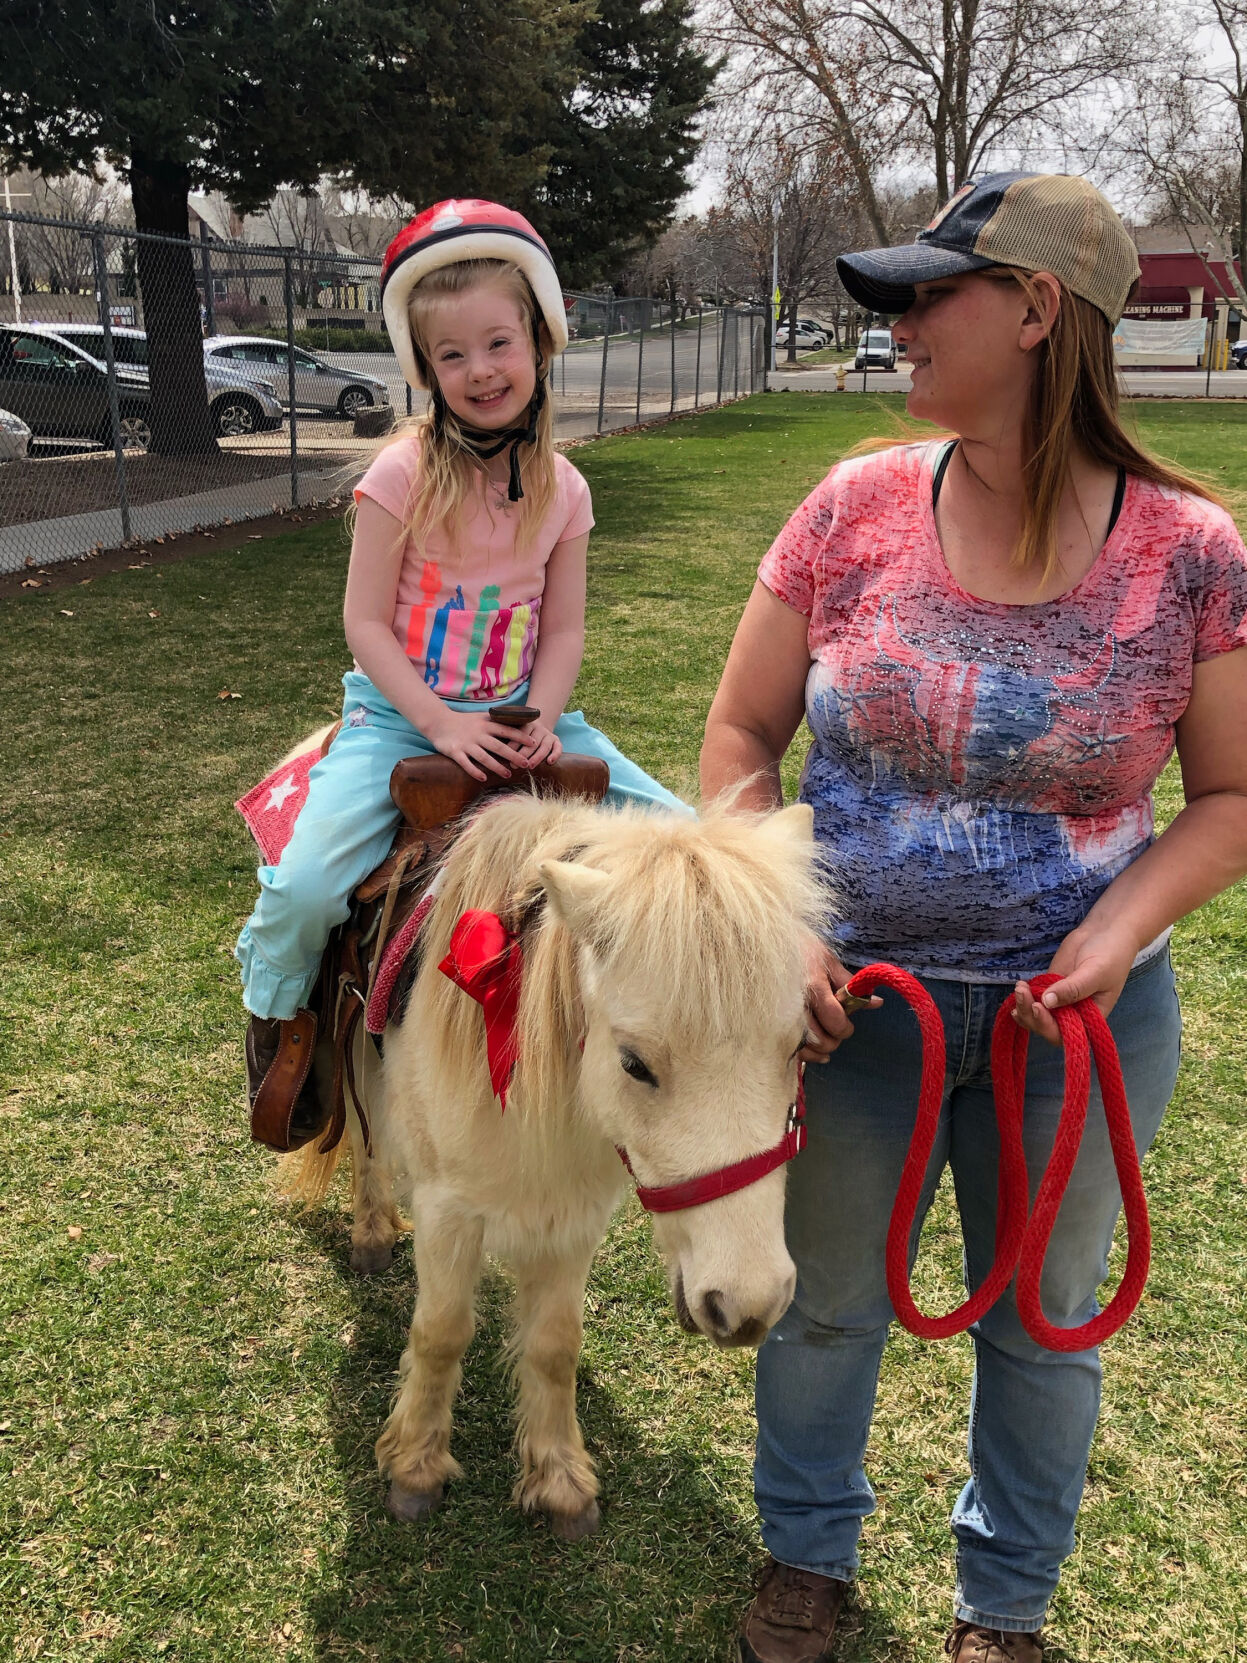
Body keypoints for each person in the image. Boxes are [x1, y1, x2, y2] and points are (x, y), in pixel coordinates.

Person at [700, 172, 1247, 1663]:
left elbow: (1227, 797)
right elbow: (740, 743)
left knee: (1042, 1321)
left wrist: (1119, 926)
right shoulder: (848, 509)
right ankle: (802, 1558)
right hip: (847, 1006)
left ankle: (999, 1610)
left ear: (1031, 309)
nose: (894, 324)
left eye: (925, 294)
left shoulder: (1191, 555)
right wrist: (781, 932)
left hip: (1067, 1030)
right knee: (819, 1309)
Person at [237, 198, 684, 1146]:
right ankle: (281, 1016)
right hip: (403, 721)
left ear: (539, 340)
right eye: (452, 355)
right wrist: (440, 725)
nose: (480, 369)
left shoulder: (564, 489)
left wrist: (546, 719)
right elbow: (364, 623)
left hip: (522, 716)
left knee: (682, 842)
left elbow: (561, 631)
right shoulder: (398, 475)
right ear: (425, 370)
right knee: (308, 884)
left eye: (498, 342)